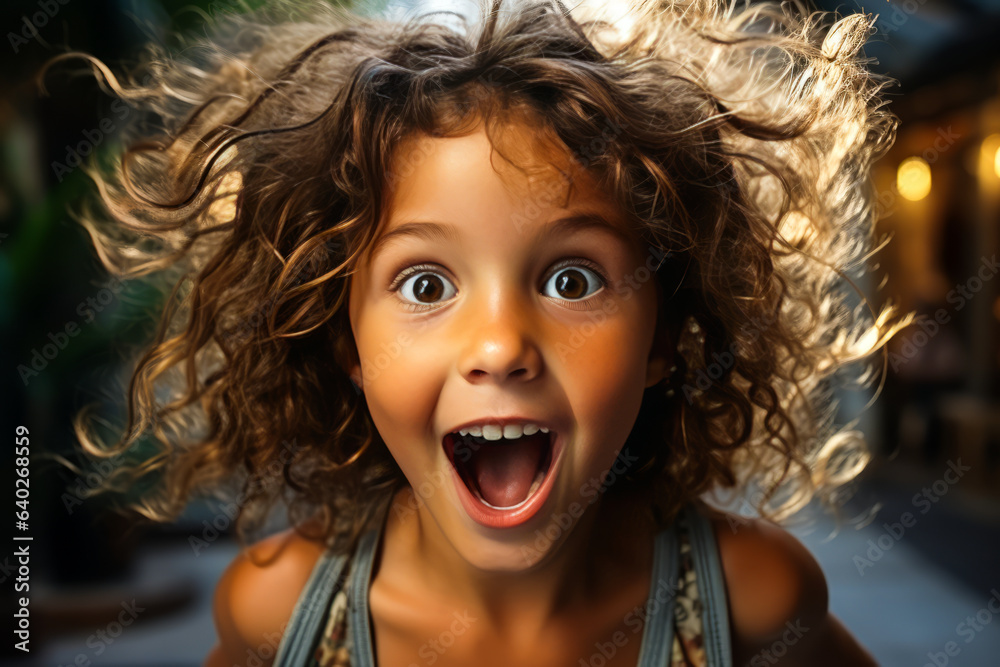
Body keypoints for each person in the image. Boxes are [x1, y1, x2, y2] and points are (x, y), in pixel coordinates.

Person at [61, 0, 914, 664]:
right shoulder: (278, 612)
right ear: (343, 345)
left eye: (571, 279)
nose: (501, 344)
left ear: (667, 339)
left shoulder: (749, 600)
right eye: (426, 283)